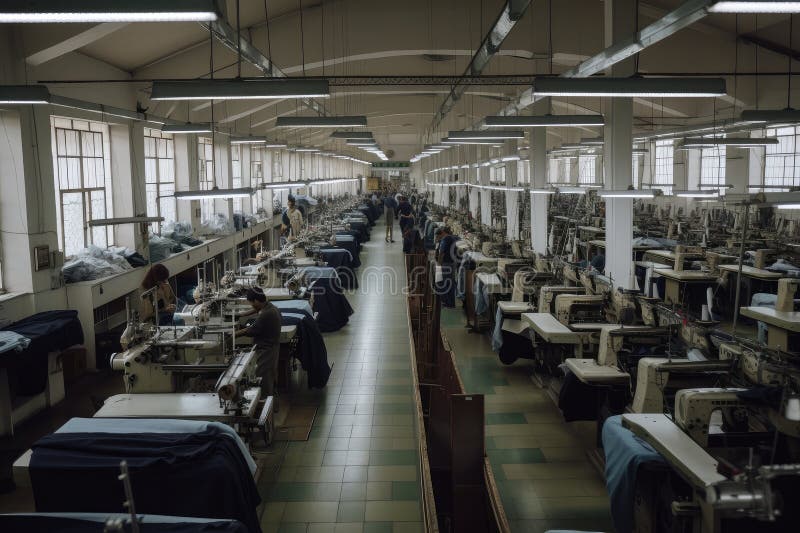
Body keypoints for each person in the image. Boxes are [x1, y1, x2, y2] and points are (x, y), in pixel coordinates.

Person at [234, 288, 283, 404]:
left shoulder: (266, 314)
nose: (251, 305)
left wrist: (232, 335)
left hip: (266, 350)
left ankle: (265, 405)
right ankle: (273, 404)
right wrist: (240, 314)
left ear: (256, 300)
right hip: (272, 347)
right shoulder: (270, 307)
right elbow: (256, 310)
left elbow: (251, 330)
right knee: (270, 377)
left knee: (264, 378)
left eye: (251, 302)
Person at [436, 227, 459, 308]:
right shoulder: (453, 238)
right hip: (452, 264)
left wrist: (438, 265)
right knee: (450, 283)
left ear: (443, 233)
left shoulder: (445, 240)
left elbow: (441, 253)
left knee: (444, 283)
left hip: (446, 264)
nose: (438, 238)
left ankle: (447, 302)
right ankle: (451, 303)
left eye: (438, 236)